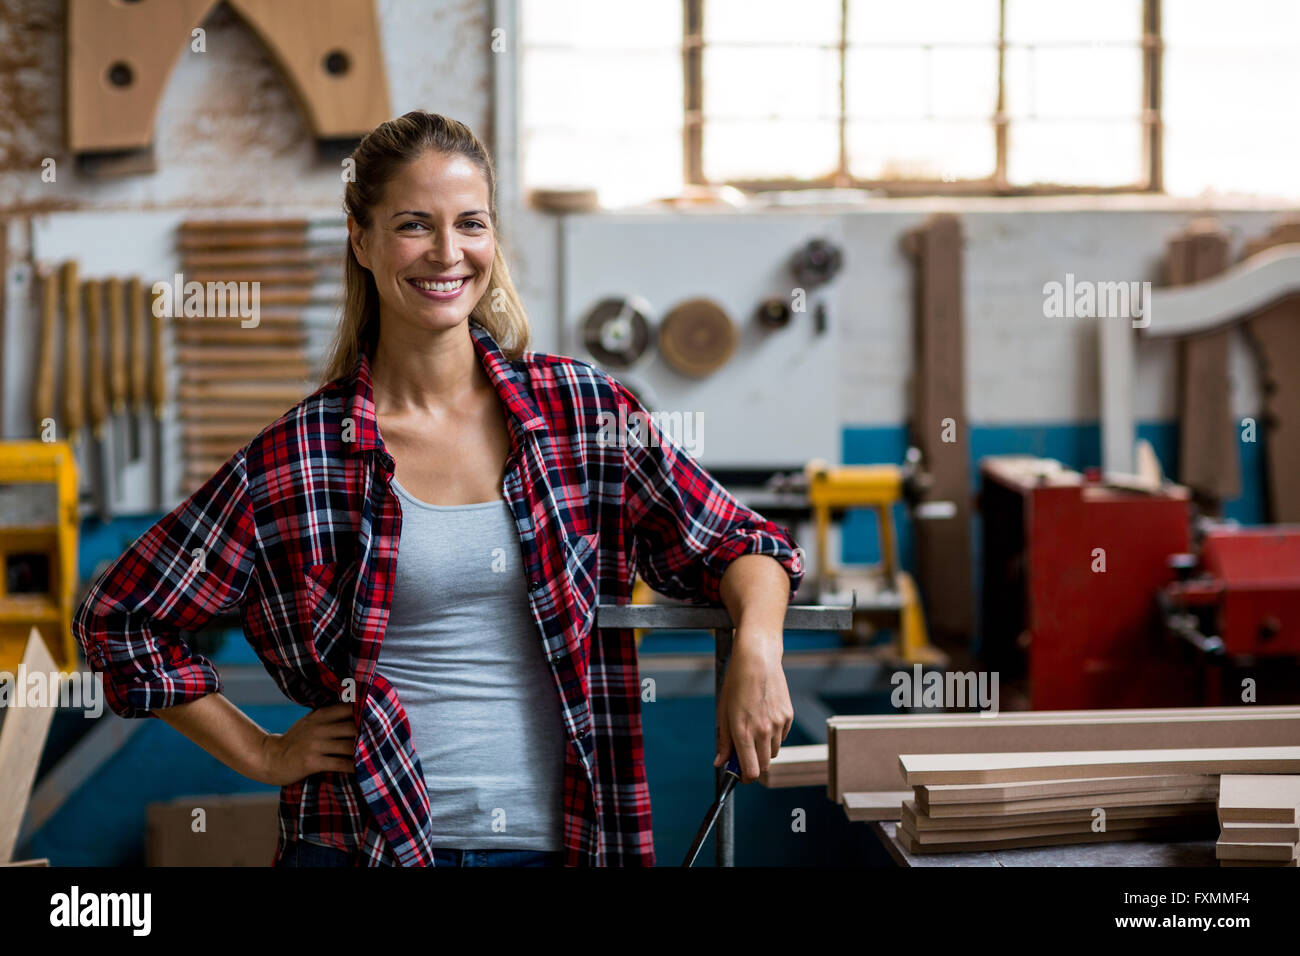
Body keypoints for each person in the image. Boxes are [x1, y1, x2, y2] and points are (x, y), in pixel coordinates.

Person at [72, 110, 804, 868]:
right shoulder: (304, 453)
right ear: (361, 240)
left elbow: (742, 545)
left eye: (471, 224)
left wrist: (757, 644)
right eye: (415, 226)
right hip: (365, 841)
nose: (447, 253)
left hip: (564, 843)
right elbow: (120, 618)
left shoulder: (581, 412)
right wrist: (263, 755)